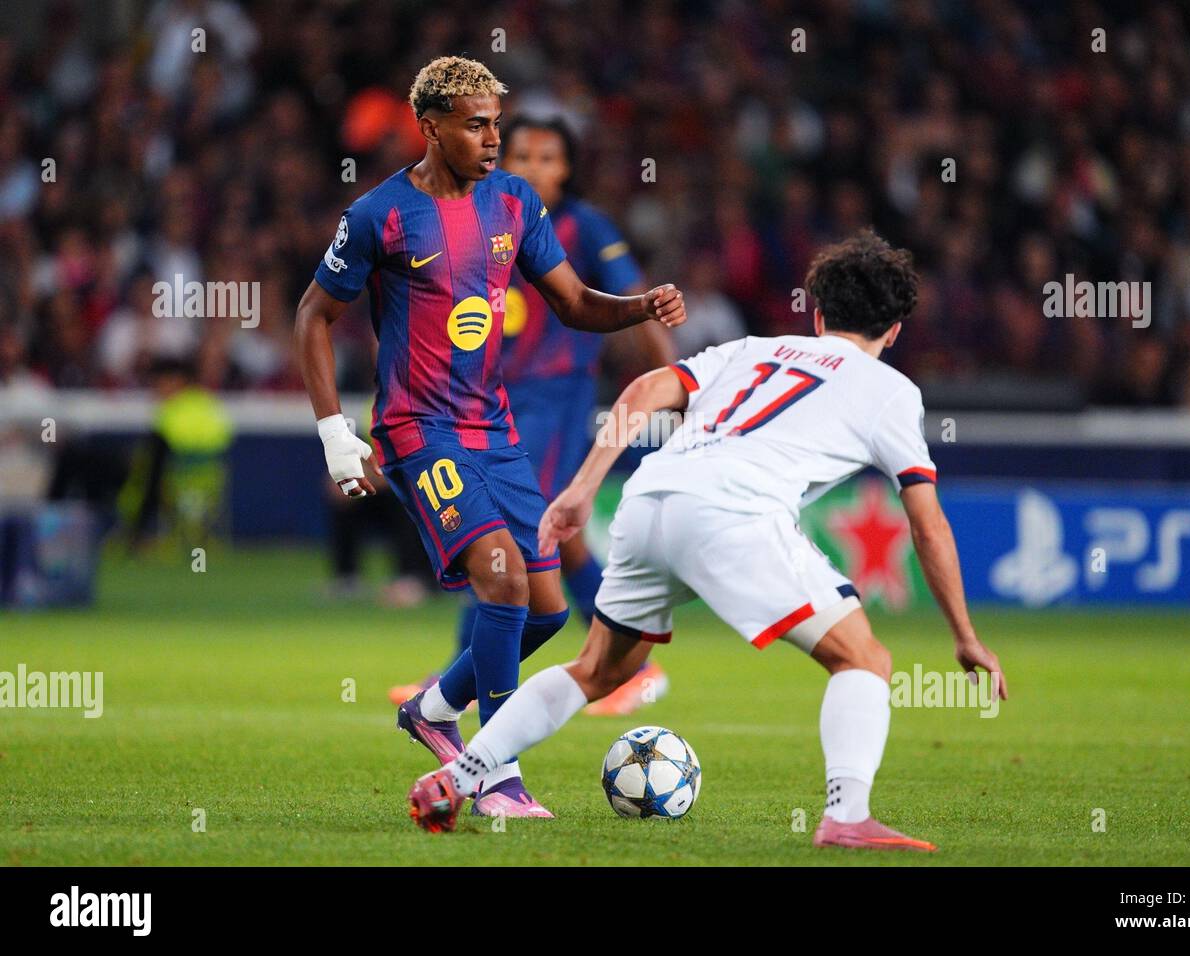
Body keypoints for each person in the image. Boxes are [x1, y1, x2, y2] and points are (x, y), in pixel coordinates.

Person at [406, 230, 1006, 849]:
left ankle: (459, 776)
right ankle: (846, 816)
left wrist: (583, 489)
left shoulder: (754, 349)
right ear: (896, 330)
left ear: (819, 314)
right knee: (864, 660)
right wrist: (965, 635)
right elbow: (927, 522)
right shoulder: (892, 393)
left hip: (649, 499)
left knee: (596, 669)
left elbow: (644, 390)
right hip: (733, 515)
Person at [294, 56, 686, 819]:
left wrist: (639, 306)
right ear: (431, 127)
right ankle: (494, 776)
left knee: (544, 609)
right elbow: (313, 315)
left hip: (493, 428)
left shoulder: (513, 202)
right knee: (502, 580)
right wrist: (336, 435)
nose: (493, 138)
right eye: (476, 124)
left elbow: (573, 303)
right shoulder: (380, 215)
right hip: (418, 428)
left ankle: (434, 709)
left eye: (496, 123)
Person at [387, 115, 673, 716]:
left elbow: (631, 301)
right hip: (487, 399)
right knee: (554, 546)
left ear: (566, 168)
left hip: (553, 397)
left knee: (509, 534)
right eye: (521, 156)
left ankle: (454, 683)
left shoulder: (585, 227)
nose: (532, 169)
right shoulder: (481, 217)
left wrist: (669, 385)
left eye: (546, 158)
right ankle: (632, 665)